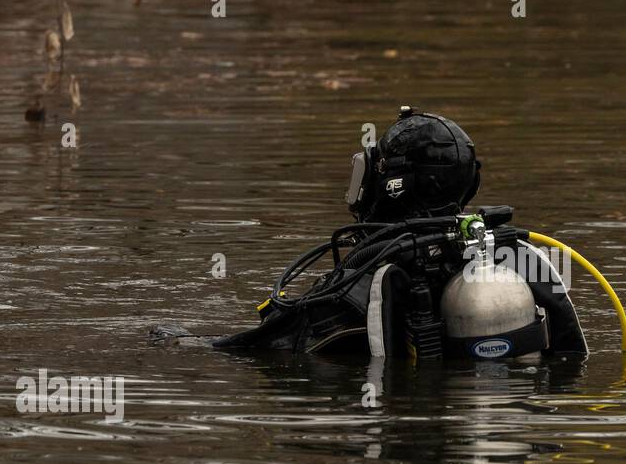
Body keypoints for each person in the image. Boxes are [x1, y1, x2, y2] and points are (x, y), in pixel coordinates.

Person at [214, 107, 592, 360]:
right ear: (471, 182)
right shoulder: (513, 252)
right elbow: (572, 354)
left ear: (388, 183)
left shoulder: (374, 271)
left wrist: (177, 338)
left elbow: (274, 346)